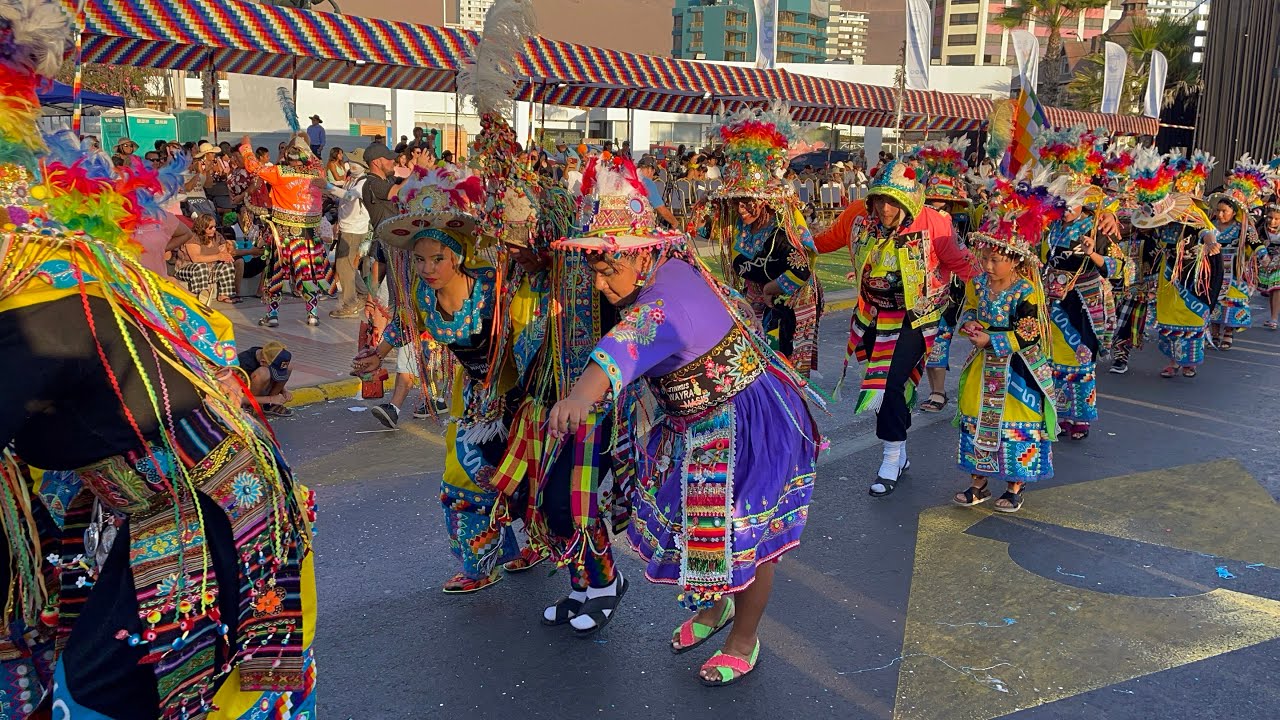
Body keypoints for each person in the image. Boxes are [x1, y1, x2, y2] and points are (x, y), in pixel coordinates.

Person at [0, 8, 318, 714]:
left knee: (108, 690)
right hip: (143, 505)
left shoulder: (43, 305)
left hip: (206, 509)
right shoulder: (67, 286)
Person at [546, 162, 824, 685]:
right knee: (707, 530)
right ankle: (716, 607)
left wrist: (584, 391)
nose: (602, 283)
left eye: (610, 269)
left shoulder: (662, 300)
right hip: (700, 421)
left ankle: (746, 637)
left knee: (747, 536)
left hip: (748, 421)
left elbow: (629, 340)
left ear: (643, 253)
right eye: (596, 270)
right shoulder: (670, 268)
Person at [351, 169, 525, 594]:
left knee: (523, 474)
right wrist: (376, 353)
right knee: (464, 472)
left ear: (458, 256)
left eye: (438, 259)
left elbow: (529, 328)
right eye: (422, 259)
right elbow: (407, 324)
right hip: (471, 395)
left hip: (517, 392)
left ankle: (529, 542)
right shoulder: (423, 294)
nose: (428, 268)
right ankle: (481, 562)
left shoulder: (492, 287)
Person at [812, 160, 978, 496]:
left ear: (908, 202)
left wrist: (1001, 292)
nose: (885, 209)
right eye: (879, 200)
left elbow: (967, 266)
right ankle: (900, 453)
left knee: (885, 383)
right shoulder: (858, 216)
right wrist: (788, 231)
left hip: (916, 319)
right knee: (892, 388)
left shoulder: (936, 224)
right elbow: (824, 241)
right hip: (872, 316)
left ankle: (889, 458)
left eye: (893, 202)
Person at [951, 179, 1059, 513]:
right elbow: (968, 307)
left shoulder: (1027, 290)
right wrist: (969, 323)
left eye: (995, 260)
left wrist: (992, 339)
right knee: (976, 418)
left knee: (1016, 424)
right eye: (984, 258)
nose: (987, 265)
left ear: (1014, 260)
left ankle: (1014, 486)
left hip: (1019, 368)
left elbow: (1030, 333)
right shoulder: (979, 283)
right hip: (983, 364)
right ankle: (978, 484)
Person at [701, 106, 822, 375]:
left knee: (783, 365)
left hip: (791, 299)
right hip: (757, 297)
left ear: (765, 202)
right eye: (736, 203)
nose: (741, 209)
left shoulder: (782, 228)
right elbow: (704, 234)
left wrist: (769, 290)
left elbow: (801, 268)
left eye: (747, 203)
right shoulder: (741, 226)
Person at [1127, 148, 1219, 379]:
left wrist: (1209, 242)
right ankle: (1173, 361)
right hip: (1166, 274)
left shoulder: (1191, 212)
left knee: (1190, 316)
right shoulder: (1158, 220)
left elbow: (1204, 230)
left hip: (1190, 273)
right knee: (1168, 317)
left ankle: (1189, 363)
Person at [240, 133, 334, 327]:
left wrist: (246, 146)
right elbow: (314, 160)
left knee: (276, 272)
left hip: (283, 234)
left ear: (287, 156)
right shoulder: (317, 173)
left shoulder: (280, 173)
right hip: (309, 235)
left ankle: (272, 315)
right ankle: (313, 314)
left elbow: (253, 167)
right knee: (309, 273)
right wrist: (303, 142)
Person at [910, 138, 975, 414]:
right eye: (933, 203)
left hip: (948, 291)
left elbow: (970, 258)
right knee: (914, 342)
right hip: (916, 287)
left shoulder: (963, 222)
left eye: (945, 204)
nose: (939, 208)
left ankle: (938, 392)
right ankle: (909, 387)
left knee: (940, 339)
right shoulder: (916, 219)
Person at [1206, 156, 1273, 349]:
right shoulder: (1210, 226)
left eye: (1224, 211)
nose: (1220, 214)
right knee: (1213, 299)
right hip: (1213, 268)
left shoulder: (1244, 228)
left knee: (1231, 301)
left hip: (1235, 271)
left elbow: (1256, 244)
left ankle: (1228, 333)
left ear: (1234, 212)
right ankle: (1214, 332)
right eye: (1218, 210)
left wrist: (1264, 258)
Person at [174, 214, 239, 303]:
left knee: (227, 264)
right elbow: (196, 258)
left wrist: (225, 255)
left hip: (210, 269)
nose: (214, 229)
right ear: (202, 228)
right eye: (210, 227)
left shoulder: (217, 236)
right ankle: (200, 295)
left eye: (214, 226)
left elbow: (224, 253)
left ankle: (225, 294)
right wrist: (218, 256)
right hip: (187, 269)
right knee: (201, 266)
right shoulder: (193, 237)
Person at [238, 341, 295, 417]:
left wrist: (284, 390)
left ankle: (269, 406)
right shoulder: (243, 363)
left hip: (262, 393)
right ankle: (248, 406)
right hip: (244, 396)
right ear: (262, 362)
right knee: (263, 372)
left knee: (289, 367)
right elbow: (238, 397)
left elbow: (276, 375)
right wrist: (271, 399)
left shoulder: (265, 353)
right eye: (274, 370)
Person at [636, 156, 678, 228]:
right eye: (654, 173)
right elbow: (661, 209)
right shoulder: (648, 182)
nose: (653, 177)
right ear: (650, 169)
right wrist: (674, 222)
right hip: (640, 225)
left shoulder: (632, 178)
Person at [1258, 202, 1280, 329]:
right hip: (1265, 260)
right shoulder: (1261, 228)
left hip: (1279, 262)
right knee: (1270, 290)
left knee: (1276, 288)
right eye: (1270, 218)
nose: (1273, 221)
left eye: (1277, 219)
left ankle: (1274, 318)